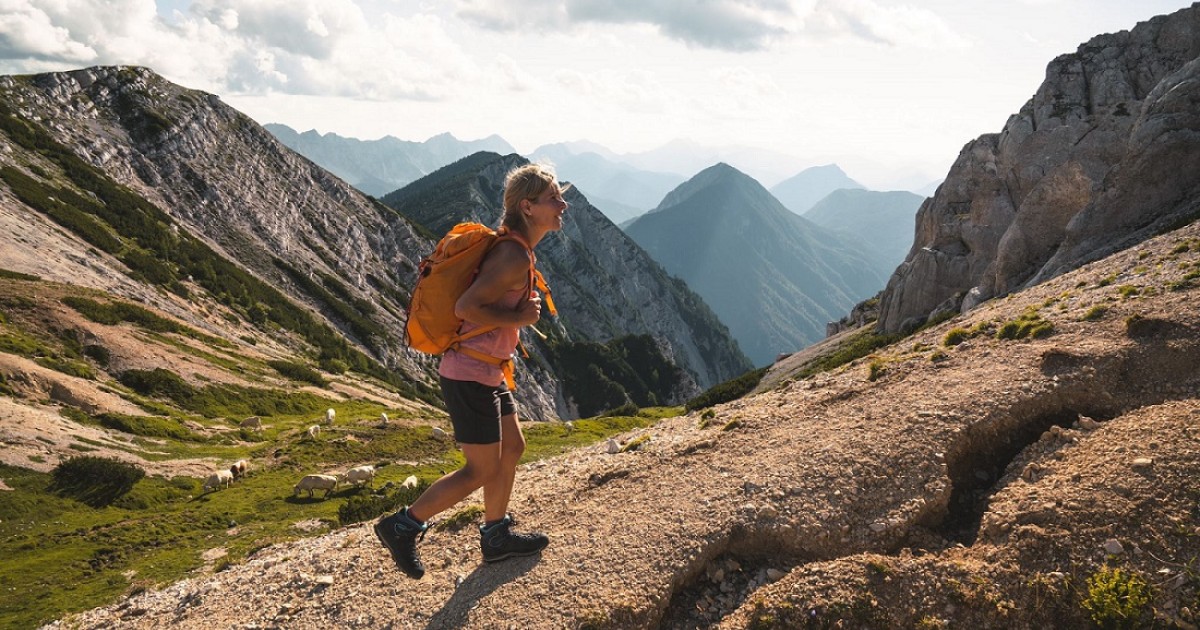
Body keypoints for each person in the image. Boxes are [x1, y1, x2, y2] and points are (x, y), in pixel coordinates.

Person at [375, 163, 569, 579]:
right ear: (528, 207)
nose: (562, 204)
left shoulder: (518, 248)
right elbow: (466, 308)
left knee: (512, 447)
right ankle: (402, 525)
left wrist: (515, 317)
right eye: (554, 197)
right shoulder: (513, 255)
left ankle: (496, 536)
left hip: (487, 373)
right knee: (479, 468)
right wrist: (519, 317)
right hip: (468, 375)